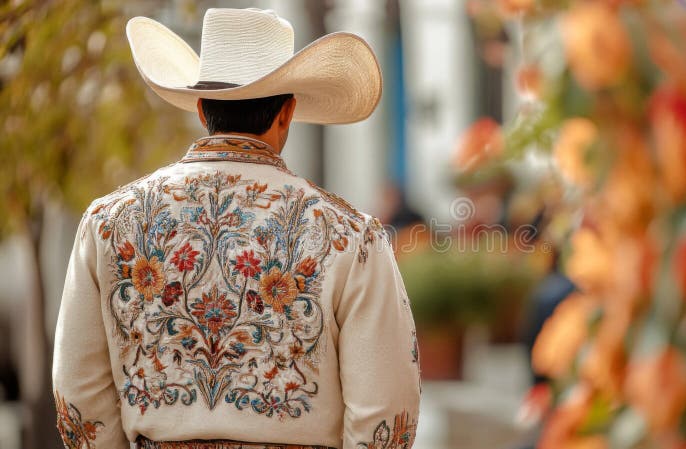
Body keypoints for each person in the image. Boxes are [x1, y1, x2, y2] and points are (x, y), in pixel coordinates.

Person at [52, 8, 420, 449]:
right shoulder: (350, 235)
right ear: (287, 113)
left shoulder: (107, 223)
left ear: (202, 108)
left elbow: (78, 394)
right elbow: (385, 413)